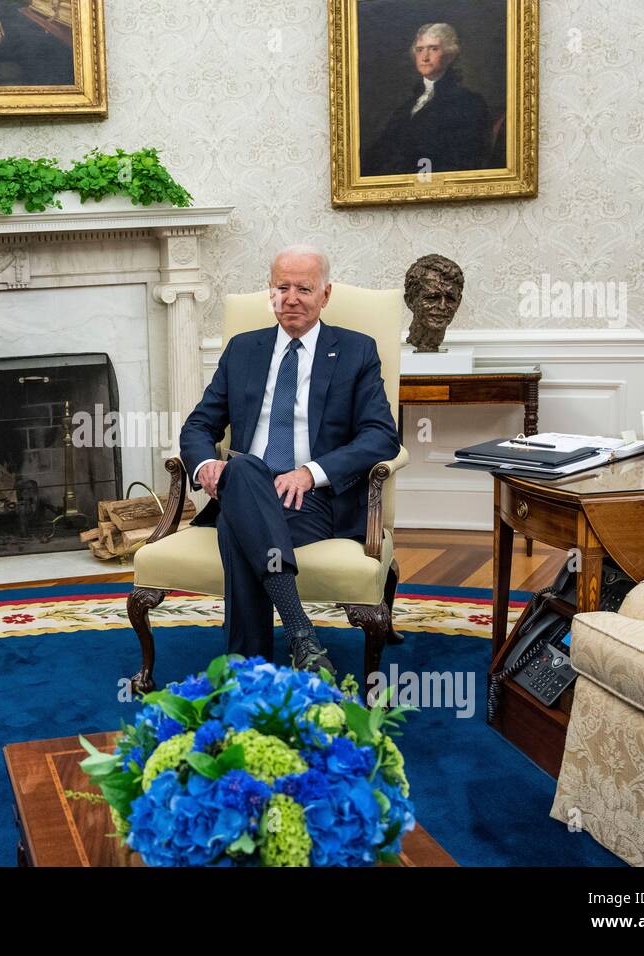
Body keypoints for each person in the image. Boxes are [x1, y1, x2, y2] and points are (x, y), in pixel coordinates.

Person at [179, 246, 400, 674]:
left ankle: (248, 670)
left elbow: (380, 436)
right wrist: (206, 464)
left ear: (325, 294)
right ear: (271, 293)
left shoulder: (356, 351)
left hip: (313, 499)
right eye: (282, 287)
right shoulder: (243, 349)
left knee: (236, 526)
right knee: (243, 469)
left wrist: (310, 473)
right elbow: (198, 426)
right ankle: (301, 634)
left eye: (304, 288)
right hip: (247, 484)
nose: (292, 298)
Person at [363, 23, 491, 177]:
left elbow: (463, 161)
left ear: (450, 55)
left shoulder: (469, 103)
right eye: (419, 49)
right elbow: (380, 151)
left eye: (434, 49)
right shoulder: (407, 106)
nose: (424, 57)